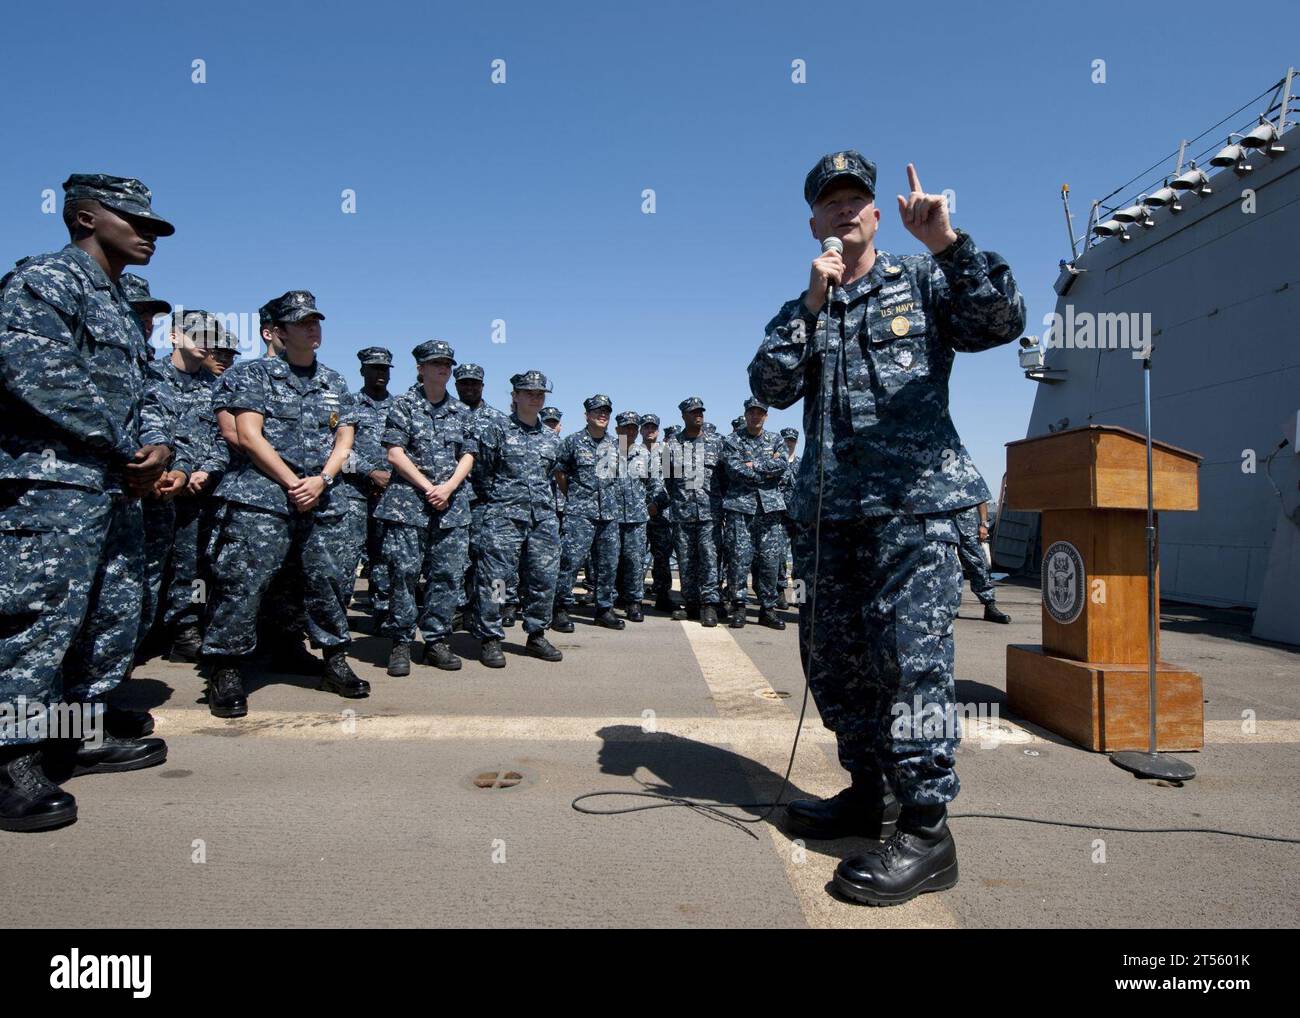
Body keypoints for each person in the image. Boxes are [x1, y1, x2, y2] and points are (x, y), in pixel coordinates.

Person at [749, 151, 1025, 905]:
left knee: (911, 663)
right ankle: (865, 793)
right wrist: (810, 306)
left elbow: (1001, 319)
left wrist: (947, 242)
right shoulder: (807, 303)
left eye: (856, 200)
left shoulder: (924, 279)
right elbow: (768, 386)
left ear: (877, 213)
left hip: (914, 506)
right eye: (829, 202)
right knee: (837, 661)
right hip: (832, 515)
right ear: (813, 223)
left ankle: (928, 829)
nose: (844, 211)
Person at [0, 174, 175, 831]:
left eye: (155, 227)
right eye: (136, 221)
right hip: (55, 485)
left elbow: (148, 386)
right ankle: (11, 757)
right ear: (83, 216)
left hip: (113, 483)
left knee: (110, 613)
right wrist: (129, 444)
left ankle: (77, 733)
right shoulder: (46, 281)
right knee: (39, 621)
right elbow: (37, 376)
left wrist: (158, 442)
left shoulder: (117, 301)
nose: (150, 235)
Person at [200, 290, 368, 717]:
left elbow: (345, 437)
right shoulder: (251, 376)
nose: (313, 328)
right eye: (301, 322)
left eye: (316, 321)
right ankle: (226, 667)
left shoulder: (334, 381)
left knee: (323, 581)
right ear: (273, 331)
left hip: (320, 495)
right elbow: (247, 435)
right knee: (244, 583)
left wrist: (323, 479)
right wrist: (295, 483)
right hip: (261, 497)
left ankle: (332, 660)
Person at [376, 341, 475, 674]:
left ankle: (435, 641)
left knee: (447, 576)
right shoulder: (403, 405)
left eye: (447, 363)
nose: (443, 368)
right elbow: (394, 453)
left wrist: (448, 487)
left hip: (452, 506)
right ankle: (401, 643)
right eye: (436, 363)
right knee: (403, 574)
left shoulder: (462, 411)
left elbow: (468, 454)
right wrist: (429, 487)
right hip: (408, 504)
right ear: (420, 368)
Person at [471, 371, 565, 666]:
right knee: (498, 580)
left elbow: (550, 478)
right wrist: (496, 506)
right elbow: (482, 474)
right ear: (515, 396)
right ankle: (490, 637)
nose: (535, 397)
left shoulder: (551, 440)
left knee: (543, 578)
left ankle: (537, 634)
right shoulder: (496, 430)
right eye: (529, 392)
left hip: (542, 519)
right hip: (503, 517)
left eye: (540, 393)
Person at [552, 395, 624, 632]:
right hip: (580, 514)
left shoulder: (615, 445)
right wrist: (575, 497)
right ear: (587, 415)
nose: (602, 415)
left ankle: (604, 609)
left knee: (608, 564)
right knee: (570, 562)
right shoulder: (573, 442)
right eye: (597, 411)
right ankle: (560, 608)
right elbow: (560, 472)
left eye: (606, 412)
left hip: (609, 515)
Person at [720, 397, 788, 629]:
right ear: (746, 413)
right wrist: (764, 469)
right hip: (741, 508)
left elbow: (781, 467)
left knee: (770, 561)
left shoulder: (776, 440)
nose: (755, 416)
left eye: (760, 412)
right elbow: (734, 469)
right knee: (739, 559)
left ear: (766, 416)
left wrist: (754, 465)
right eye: (751, 412)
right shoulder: (732, 440)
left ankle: (767, 609)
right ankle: (738, 606)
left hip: (769, 510)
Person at [663, 397, 723, 626]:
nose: (699, 415)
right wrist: (679, 500)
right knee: (686, 560)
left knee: (709, 558)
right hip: (682, 512)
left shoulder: (716, 442)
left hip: (709, 512)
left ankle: (709, 606)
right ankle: (691, 604)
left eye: (701, 411)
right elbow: (668, 479)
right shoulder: (674, 446)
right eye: (693, 412)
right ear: (683, 416)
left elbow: (724, 477)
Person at [346, 346, 394, 626]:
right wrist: (370, 472)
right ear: (362, 370)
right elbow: (338, 451)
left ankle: (383, 613)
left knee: (385, 555)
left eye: (385, 369)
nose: (380, 373)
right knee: (349, 553)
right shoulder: (348, 404)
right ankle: (338, 615)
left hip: (389, 493)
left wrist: (388, 477)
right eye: (375, 368)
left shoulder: (399, 407)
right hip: (353, 492)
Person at [639, 413, 676, 611]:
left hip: (661, 514)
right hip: (636, 514)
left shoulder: (668, 454)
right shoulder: (632, 452)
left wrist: (658, 505)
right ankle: (632, 597)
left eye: (653, 427)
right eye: (646, 427)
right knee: (634, 556)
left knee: (662, 557)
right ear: (640, 430)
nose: (650, 430)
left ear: (658, 430)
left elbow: (673, 485)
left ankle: (663, 594)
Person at [955, 502, 1009, 623]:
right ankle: (949, 607)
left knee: (978, 566)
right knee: (944, 567)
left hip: (966, 526)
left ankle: (989, 606)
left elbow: (980, 497)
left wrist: (984, 524)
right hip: (939, 526)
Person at [776, 426, 800, 605]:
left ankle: (800, 596)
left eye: (792, 440)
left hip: (800, 516)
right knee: (779, 556)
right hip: (780, 515)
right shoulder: (776, 463)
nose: (789, 443)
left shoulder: (803, 463)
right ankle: (780, 592)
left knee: (801, 556)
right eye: (786, 440)